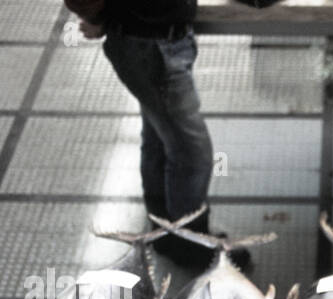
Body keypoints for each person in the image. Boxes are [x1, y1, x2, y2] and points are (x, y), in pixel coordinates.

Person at [64, 1, 244, 269]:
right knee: (192, 155)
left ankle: (162, 228)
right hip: (150, 46)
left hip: (151, 41)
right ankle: (190, 247)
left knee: (160, 135)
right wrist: (96, 13)